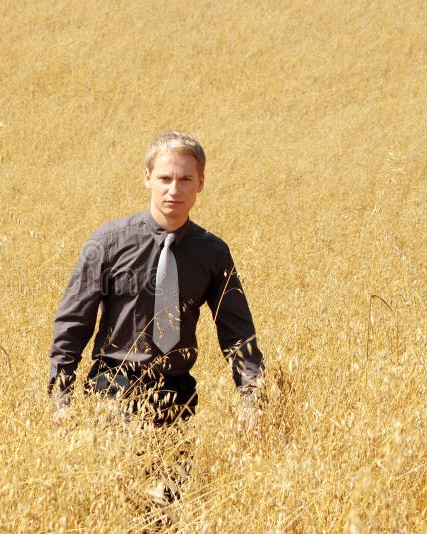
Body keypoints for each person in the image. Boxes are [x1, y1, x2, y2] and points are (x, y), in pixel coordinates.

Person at [47, 131, 265, 432]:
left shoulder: (213, 253)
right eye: (165, 178)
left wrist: (251, 397)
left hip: (177, 393)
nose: (174, 189)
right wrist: (61, 396)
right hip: (112, 387)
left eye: (185, 179)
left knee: (173, 467)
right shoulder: (108, 242)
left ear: (201, 182)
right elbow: (73, 321)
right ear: (147, 178)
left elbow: (237, 331)